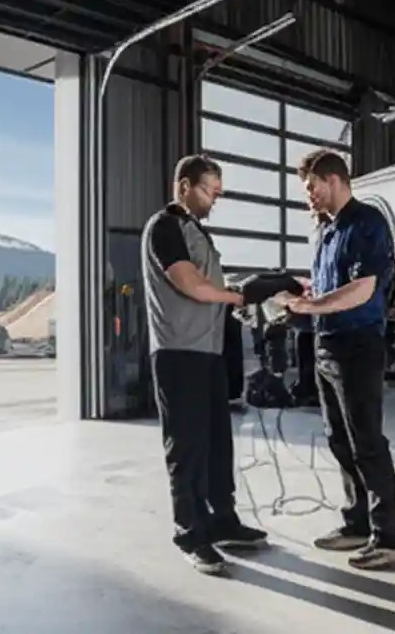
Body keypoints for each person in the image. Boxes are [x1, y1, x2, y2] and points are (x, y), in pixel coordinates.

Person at [140, 154, 270, 574]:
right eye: (208, 191)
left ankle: (223, 521)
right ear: (184, 187)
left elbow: (211, 288)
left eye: (216, 193)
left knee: (216, 443)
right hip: (179, 354)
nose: (214, 200)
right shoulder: (165, 228)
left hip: (209, 353)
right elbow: (189, 284)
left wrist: (242, 296)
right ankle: (191, 533)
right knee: (188, 448)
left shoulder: (199, 234)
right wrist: (237, 297)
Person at [285, 148, 395, 571]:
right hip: (326, 347)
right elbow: (328, 287)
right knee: (340, 441)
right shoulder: (326, 231)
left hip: (358, 347)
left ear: (332, 180)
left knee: (367, 442)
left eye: (311, 188)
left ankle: (386, 536)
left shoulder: (367, 223)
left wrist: (309, 309)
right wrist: (304, 294)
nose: (309, 197)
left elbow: (363, 289)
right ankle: (355, 523)